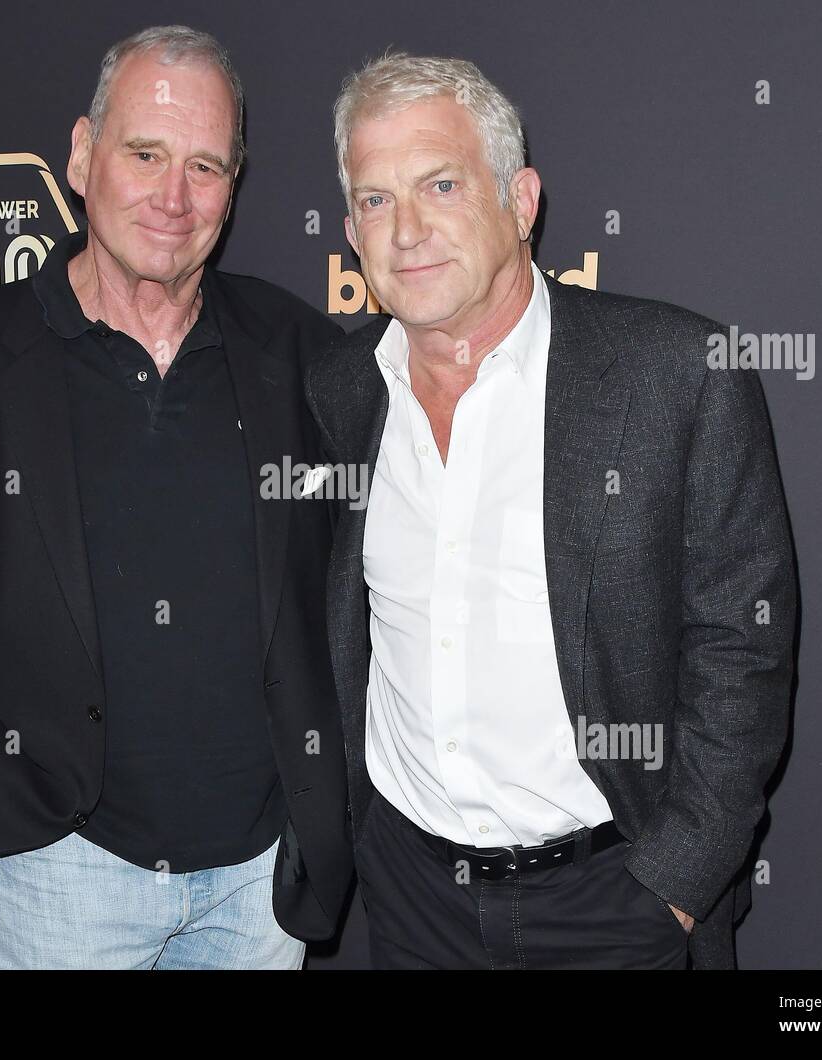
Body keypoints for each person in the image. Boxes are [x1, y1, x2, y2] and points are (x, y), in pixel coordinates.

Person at [0, 25, 350, 969]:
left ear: (234, 185)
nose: (174, 197)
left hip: (260, 887)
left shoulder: (303, 352)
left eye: (205, 166)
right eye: (146, 154)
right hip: (62, 873)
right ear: (83, 156)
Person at [305, 50, 796, 969]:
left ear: (520, 201)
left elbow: (743, 646)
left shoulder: (674, 374)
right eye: (375, 199)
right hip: (410, 896)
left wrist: (677, 884)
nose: (406, 230)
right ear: (350, 232)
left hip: (616, 899)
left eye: (441, 184)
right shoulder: (338, 389)